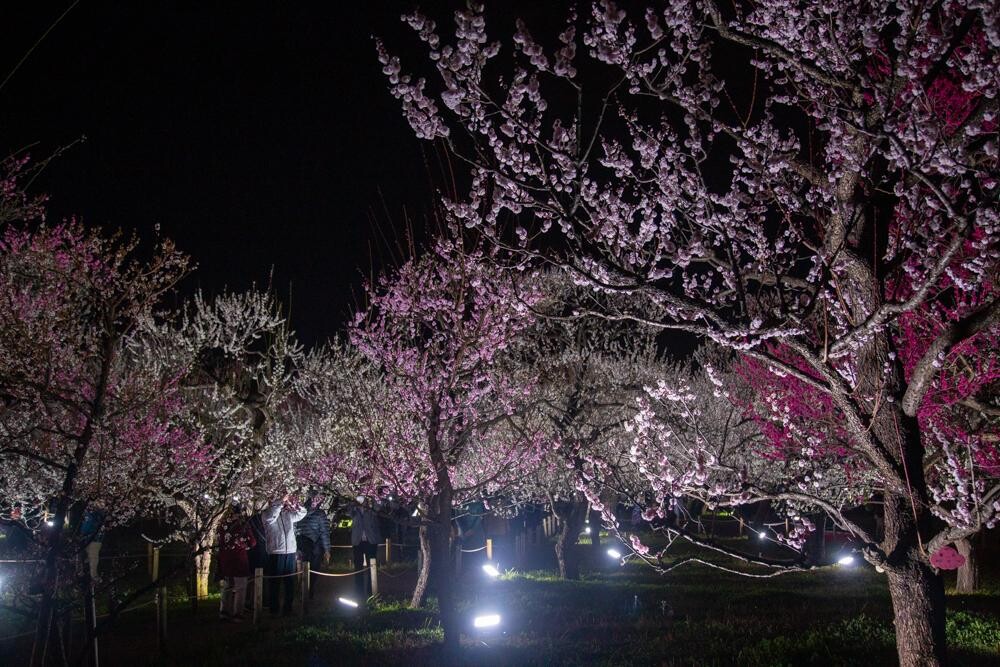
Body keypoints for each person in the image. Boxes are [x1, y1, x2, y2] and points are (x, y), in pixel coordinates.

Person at [263, 495, 306, 615]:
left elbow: (302, 513)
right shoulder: (267, 514)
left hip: (290, 551)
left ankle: (288, 608)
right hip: (276, 552)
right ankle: (274, 609)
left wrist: (295, 504)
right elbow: (272, 514)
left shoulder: (288, 515)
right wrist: (280, 502)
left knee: (289, 582)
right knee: (275, 583)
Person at [217, 502, 255, 622]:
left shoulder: (222, 525)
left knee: (226, 587)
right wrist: (244, 545)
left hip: (226, 559)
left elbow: (219, 543)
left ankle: (224, 611)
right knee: (240, 587)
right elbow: (253, 542)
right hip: (239, 559)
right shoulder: (243, 525)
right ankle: (237, 613)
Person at [295, 497, 331, 600]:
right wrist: (327, 550)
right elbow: (324, 533)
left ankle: (302, 591)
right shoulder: (320, 514)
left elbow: (295, 528)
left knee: (302, 569)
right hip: (315, 546)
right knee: (313, 570)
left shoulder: (300, 512)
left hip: (301, 544)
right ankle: (309, 591)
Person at [349, 496, 381, 600]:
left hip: (370, 541)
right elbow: (348, 511)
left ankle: (371, 590)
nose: (362, 501)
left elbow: (378, 509)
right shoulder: (354, 511)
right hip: (358, 542)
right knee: (358, 567)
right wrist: (353, 504)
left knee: (371, 566)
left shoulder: (371, 510)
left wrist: (373, 497)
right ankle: (359, 590)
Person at [79, 505, 106, 582]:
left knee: (93, 558)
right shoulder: (92, 516)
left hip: (93, 540)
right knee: (92, 558)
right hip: (90, 539)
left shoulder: (94, 517)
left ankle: (93, 575)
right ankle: (90, 573)